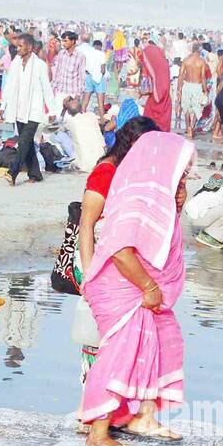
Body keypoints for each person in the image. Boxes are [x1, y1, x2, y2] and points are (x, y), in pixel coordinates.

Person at [79, 132, 197, 446]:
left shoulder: (157, 197)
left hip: (142, 291)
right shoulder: (136, 198)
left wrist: (179, 198)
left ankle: (142, 418)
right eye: (181, 168)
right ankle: (97, 435)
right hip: (125, 290)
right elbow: (121, 251)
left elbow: (160, 240)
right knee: (120, 355)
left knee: (161, 342)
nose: (185, 173)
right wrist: (148, 286)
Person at [72, 116, 161, 401]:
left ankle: (111, 404)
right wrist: (89, 275)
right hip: (96, 258)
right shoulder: (106, 172)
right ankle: (92, 402)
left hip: (116, 260)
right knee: (97, 338)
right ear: (133, 143)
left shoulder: (129, 170)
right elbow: (86, 225)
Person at [0, 32, 54, 186]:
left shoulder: (40, 66)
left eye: (21, 46)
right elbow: (9, 86)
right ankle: (35, 174)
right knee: (28, 143)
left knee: (23, 142)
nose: (18, 49)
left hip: (34, 111)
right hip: (18, 109)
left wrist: (52, 110)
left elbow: (47, 89)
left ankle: (12, 172)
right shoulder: (16, 63)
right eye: (17, 46)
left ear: (30, 47)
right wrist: (3, 106)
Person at [176, 44, 211, 137]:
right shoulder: (201, 62)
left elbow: (181, 75)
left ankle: (188, 127)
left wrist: (178, 89)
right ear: (199, 51)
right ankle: (192, 126)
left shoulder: (186, 60)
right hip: (197, 86)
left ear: (192, 50)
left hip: (187, 85)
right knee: (197, 107)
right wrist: (205, 90)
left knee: (186, 106)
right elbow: (203, 77)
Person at [140, 40, 172, 132]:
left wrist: (141, 92)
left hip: (154, 102)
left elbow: (147, 88)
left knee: (148, 128)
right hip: (165, 101)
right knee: (162, 131)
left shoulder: (151, 67)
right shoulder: (164, 64)